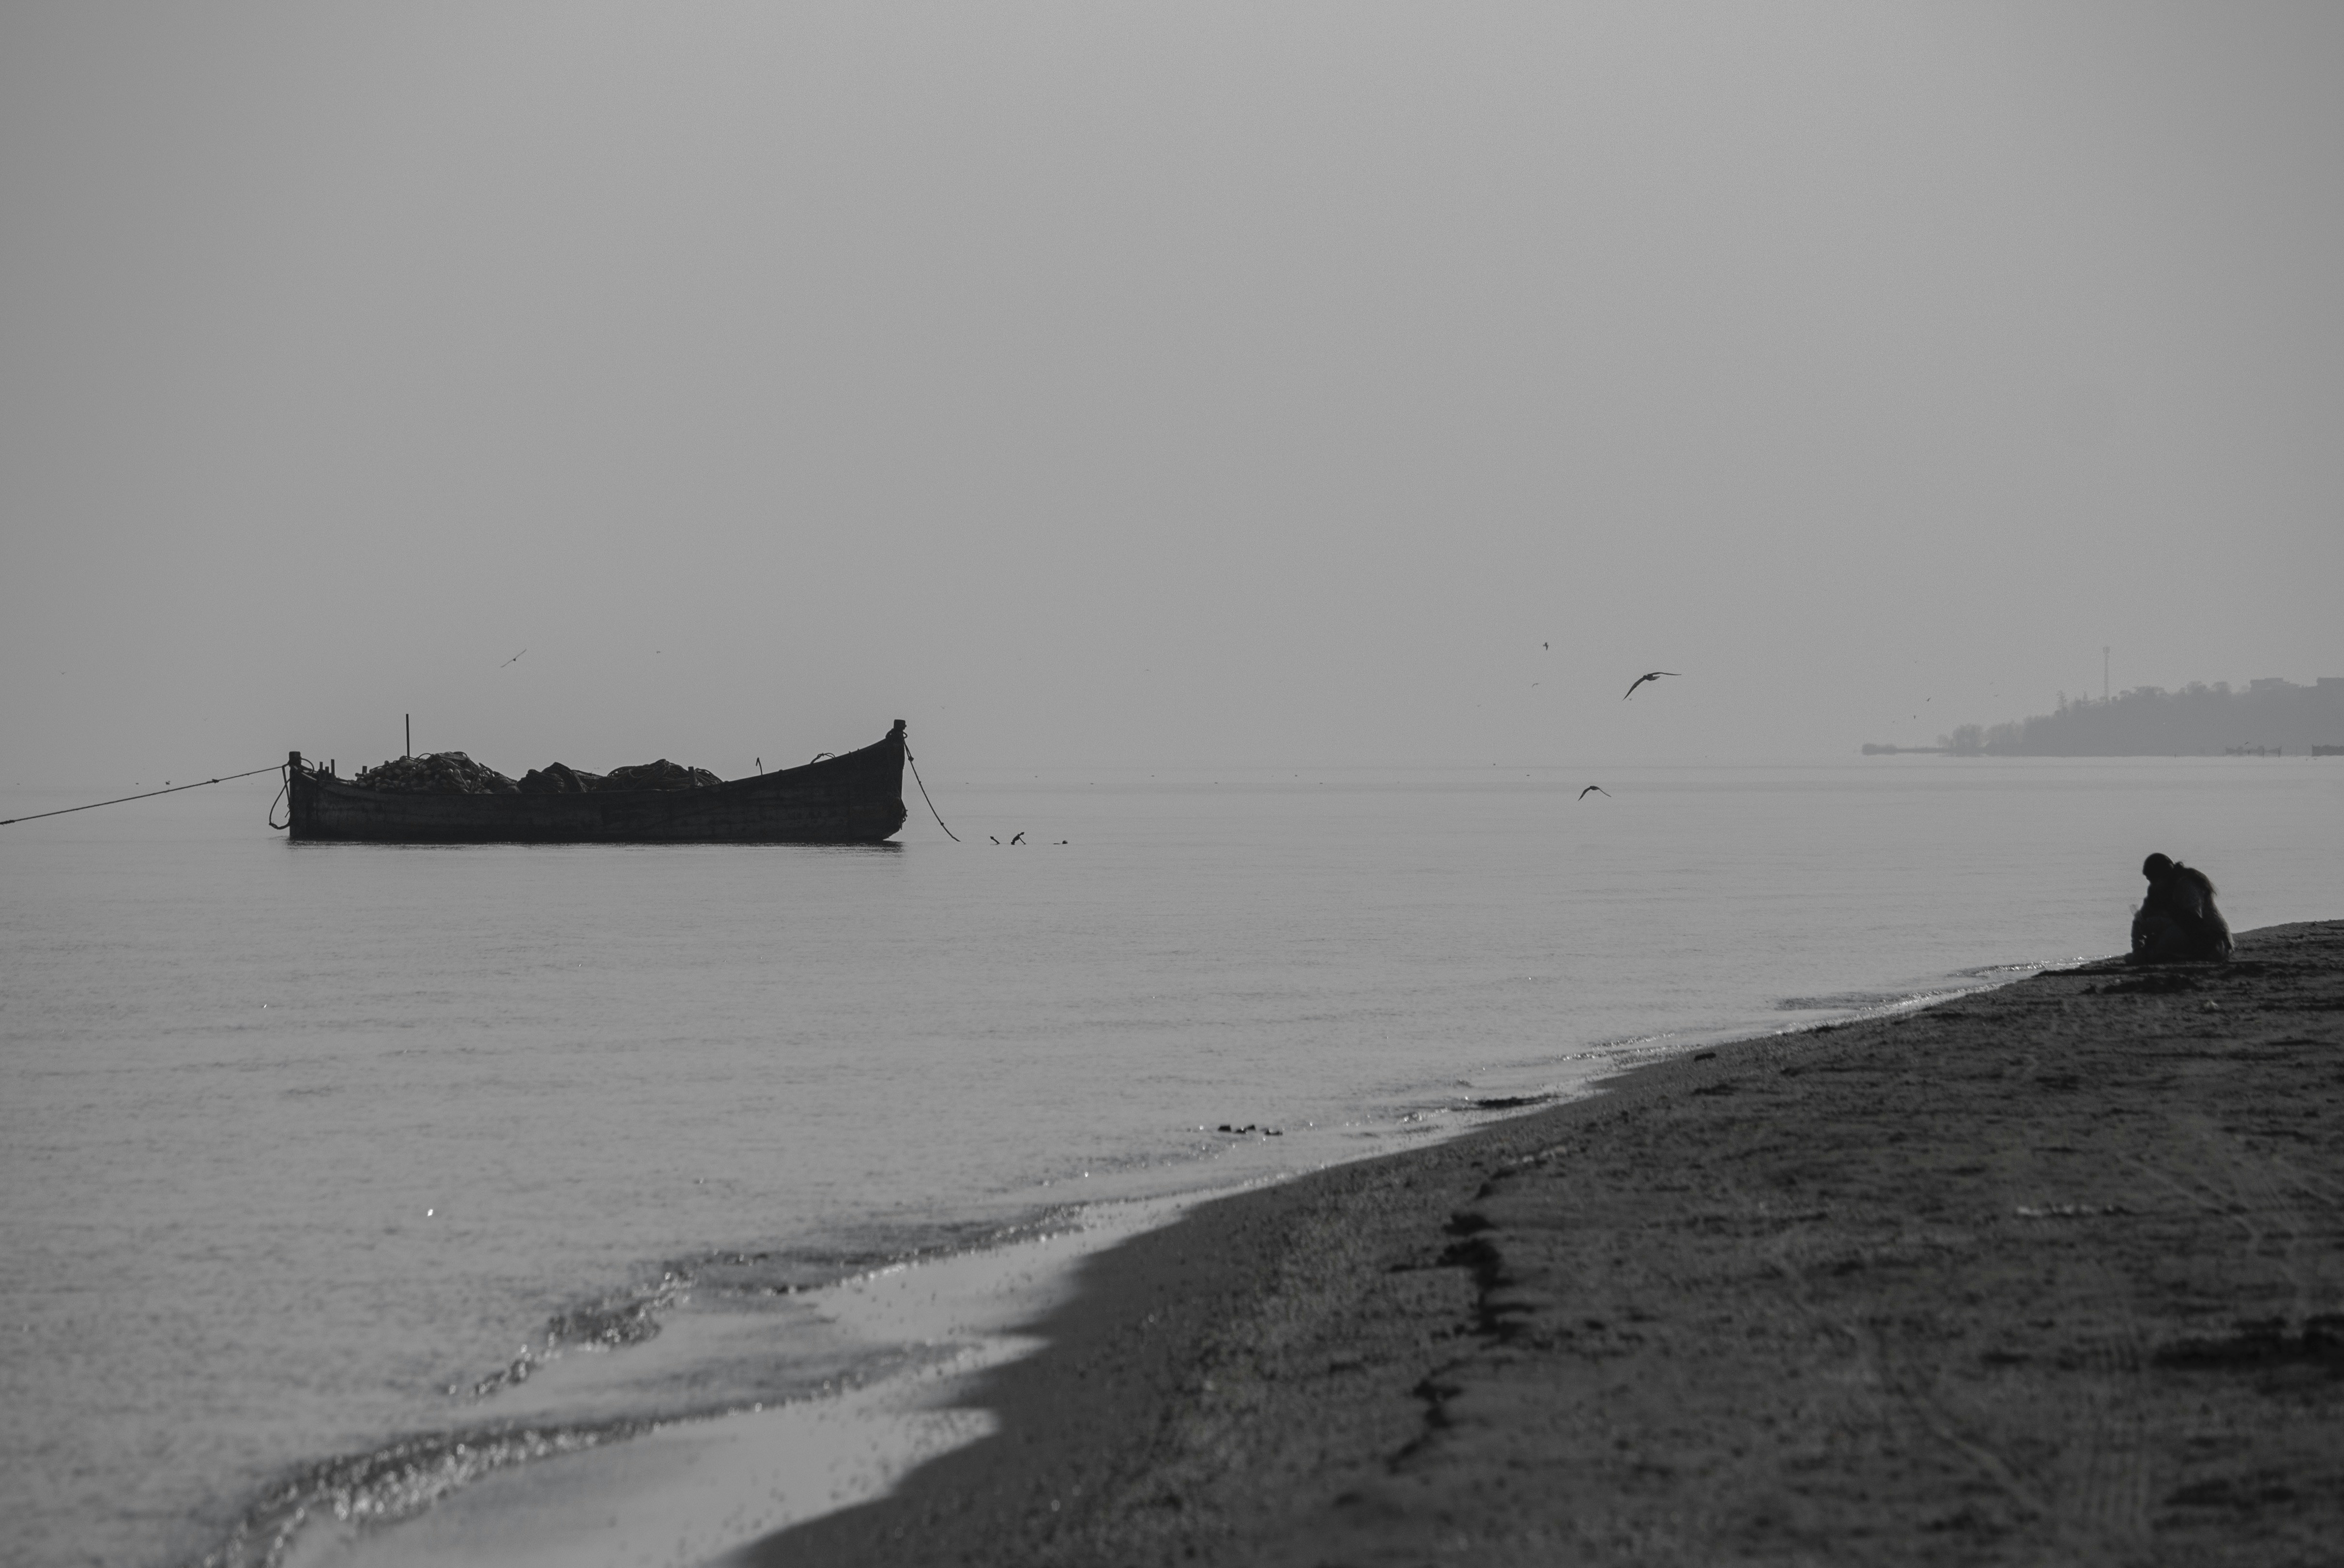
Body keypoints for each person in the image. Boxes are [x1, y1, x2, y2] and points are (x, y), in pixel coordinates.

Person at [2129, 853, 2233, 963]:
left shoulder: (2187, 885)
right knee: (2158, 938)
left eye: (2155, 880)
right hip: (2188, 936)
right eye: (2151, 881)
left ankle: (2159, 954)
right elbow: (2140, 920)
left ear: (2165, 875)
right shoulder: (2156, 893)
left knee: (2169, 936)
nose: (2153, 885)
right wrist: (2137, 950)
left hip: (2215, 941)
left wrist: (2159, 924)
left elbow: (2193, 922)